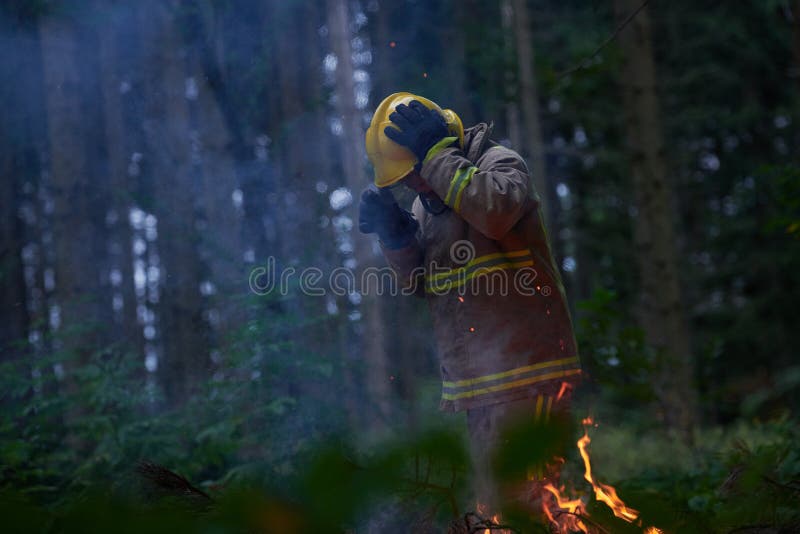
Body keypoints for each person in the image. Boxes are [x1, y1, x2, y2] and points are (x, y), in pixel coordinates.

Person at [358, 92, 582, 519]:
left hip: (528, 372)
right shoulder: (431, 208)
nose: (412, 186)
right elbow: (422, 286)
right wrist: (397, 238)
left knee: (529, 505)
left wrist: (438, 158)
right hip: (479, 386)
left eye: (414, 172)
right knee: (495, 506)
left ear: (438, 147)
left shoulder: (501, 164)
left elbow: (495, 211)